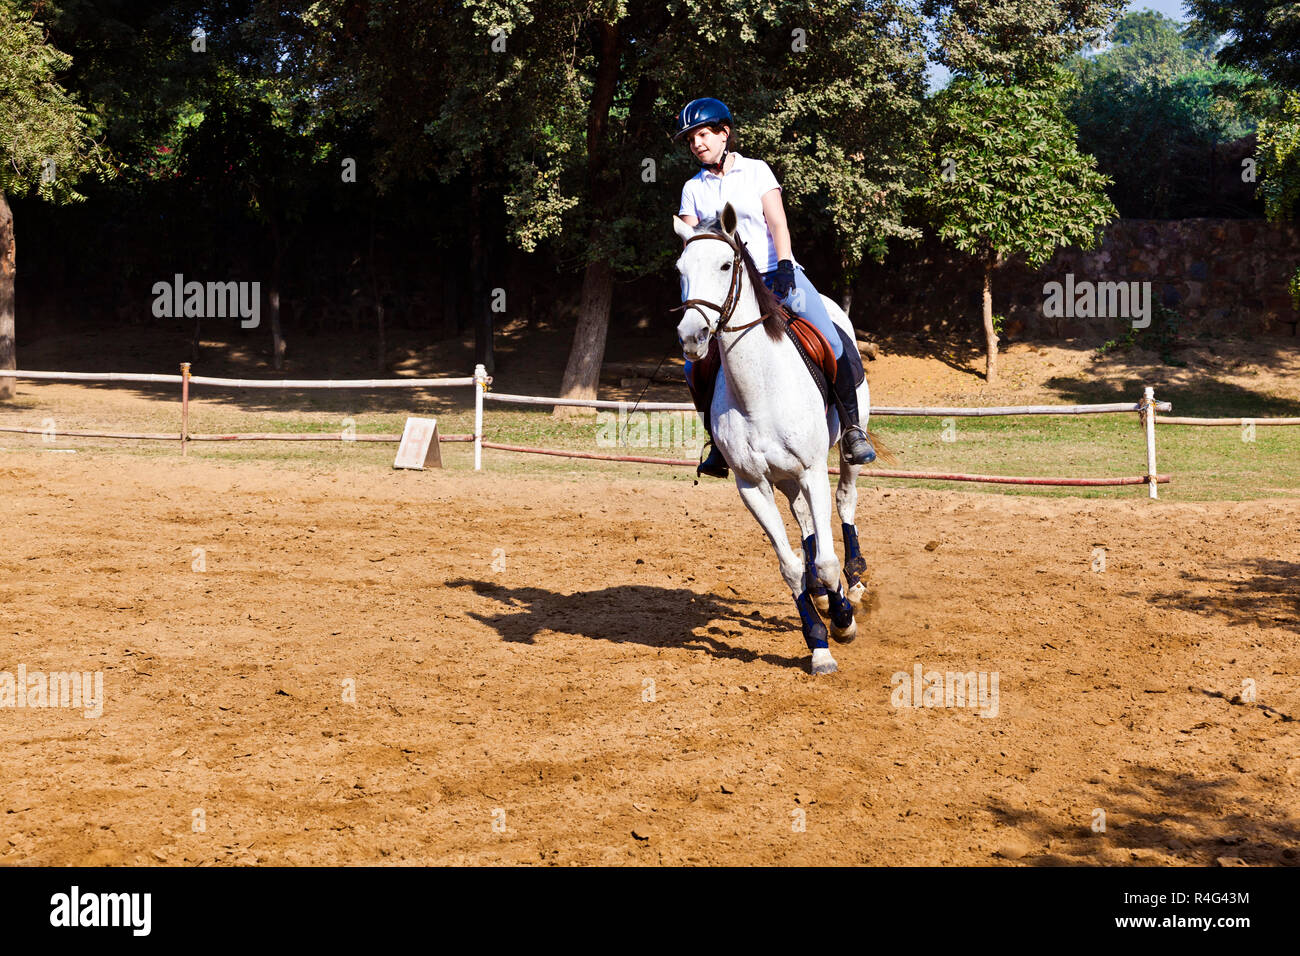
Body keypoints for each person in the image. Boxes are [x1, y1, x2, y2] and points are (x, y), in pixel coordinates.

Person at [673, 97, 874, 478]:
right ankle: (717, 443)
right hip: (727, 290)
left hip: (775, 273)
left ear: (723, 134)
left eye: (703, 134)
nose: (697, 143)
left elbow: (777, 223)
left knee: (832, 340)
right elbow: (692, 240)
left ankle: (851, 429)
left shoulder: (757, 171)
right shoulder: (692, 189)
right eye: (691, 139)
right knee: (692, 366)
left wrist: (784, 264)